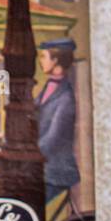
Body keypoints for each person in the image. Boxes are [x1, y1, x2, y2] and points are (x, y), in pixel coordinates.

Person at [36, 37, 80, 207]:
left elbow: (53, 138)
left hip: (56, 172)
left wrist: (26, 157)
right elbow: (30, 119)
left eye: (43, 57)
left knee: (27, 208)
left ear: (55, 61)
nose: (40, 61)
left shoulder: (66, 98)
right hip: (44, 169)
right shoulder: (48, 87)